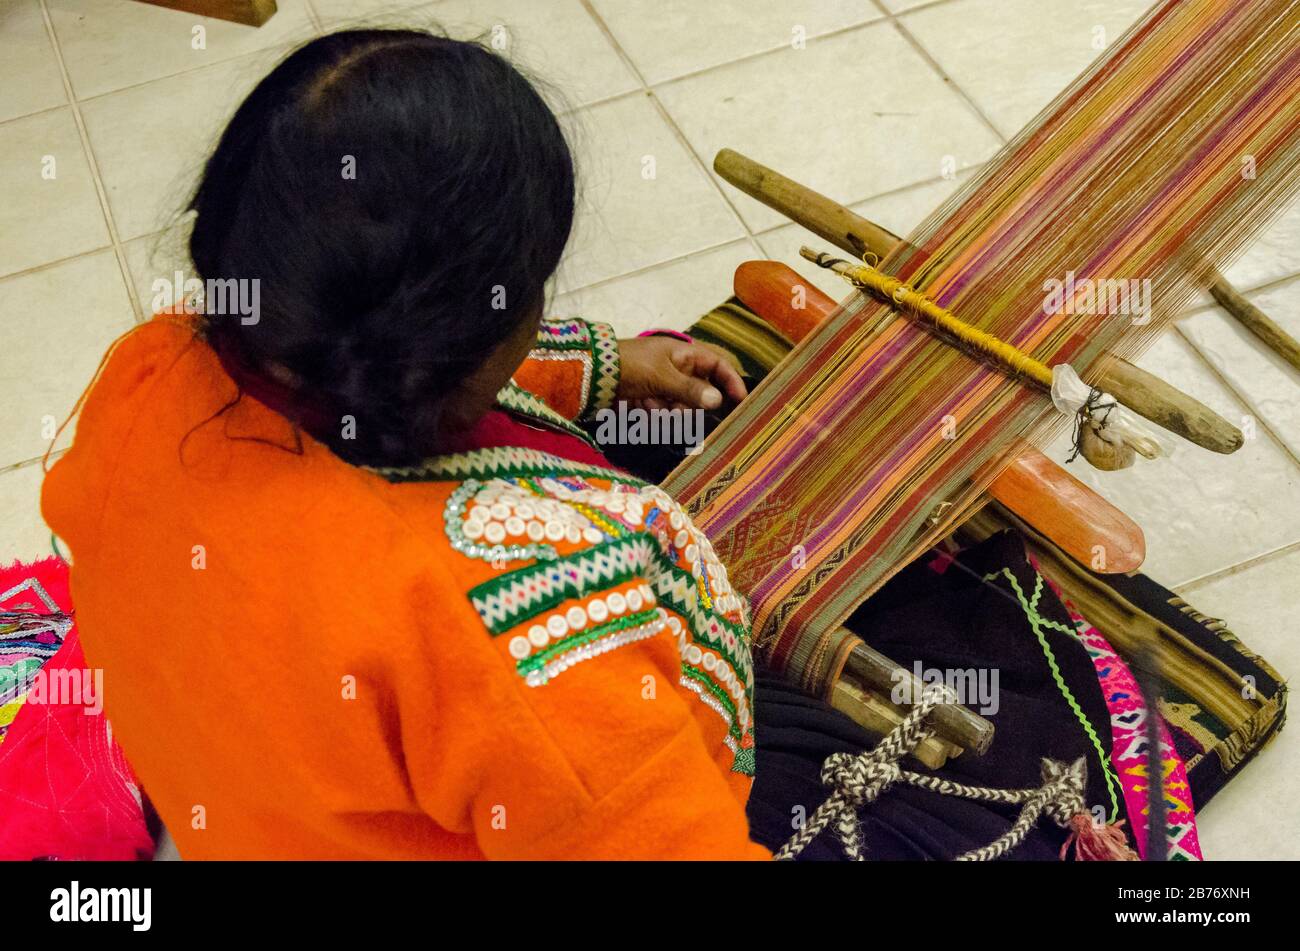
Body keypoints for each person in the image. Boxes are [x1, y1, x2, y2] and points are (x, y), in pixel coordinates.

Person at [42, 28, 763, 860]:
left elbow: (350, 347)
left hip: (247, 808)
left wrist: (595, 367)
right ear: (469, 339)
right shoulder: (507, 633)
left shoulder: (150, 375)